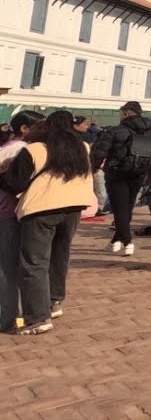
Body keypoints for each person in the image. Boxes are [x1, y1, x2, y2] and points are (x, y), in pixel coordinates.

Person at [0, 111, 95, 335]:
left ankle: (37, 317)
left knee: (34, 262)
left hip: (41, 209)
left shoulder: (34, 150)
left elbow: (14, 184)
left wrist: (4, 172)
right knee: (59, 256)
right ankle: (53, 303)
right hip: (74, 207)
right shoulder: (83, 148)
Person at [90, 101, 151, 257]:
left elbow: (99, 151)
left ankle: (127, 241)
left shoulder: (115, 131)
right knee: (127, 206)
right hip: (140, 172)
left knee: (119, 208)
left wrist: (94, 169)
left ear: (126, 113)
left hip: (117, 172)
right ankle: (116, 240)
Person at [0, 110, 44, 332]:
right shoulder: (21, 150)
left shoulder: (10, 148)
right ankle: (6, 315)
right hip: (8, 213)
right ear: (25, 129)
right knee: (7, 267)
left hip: (7, 212)